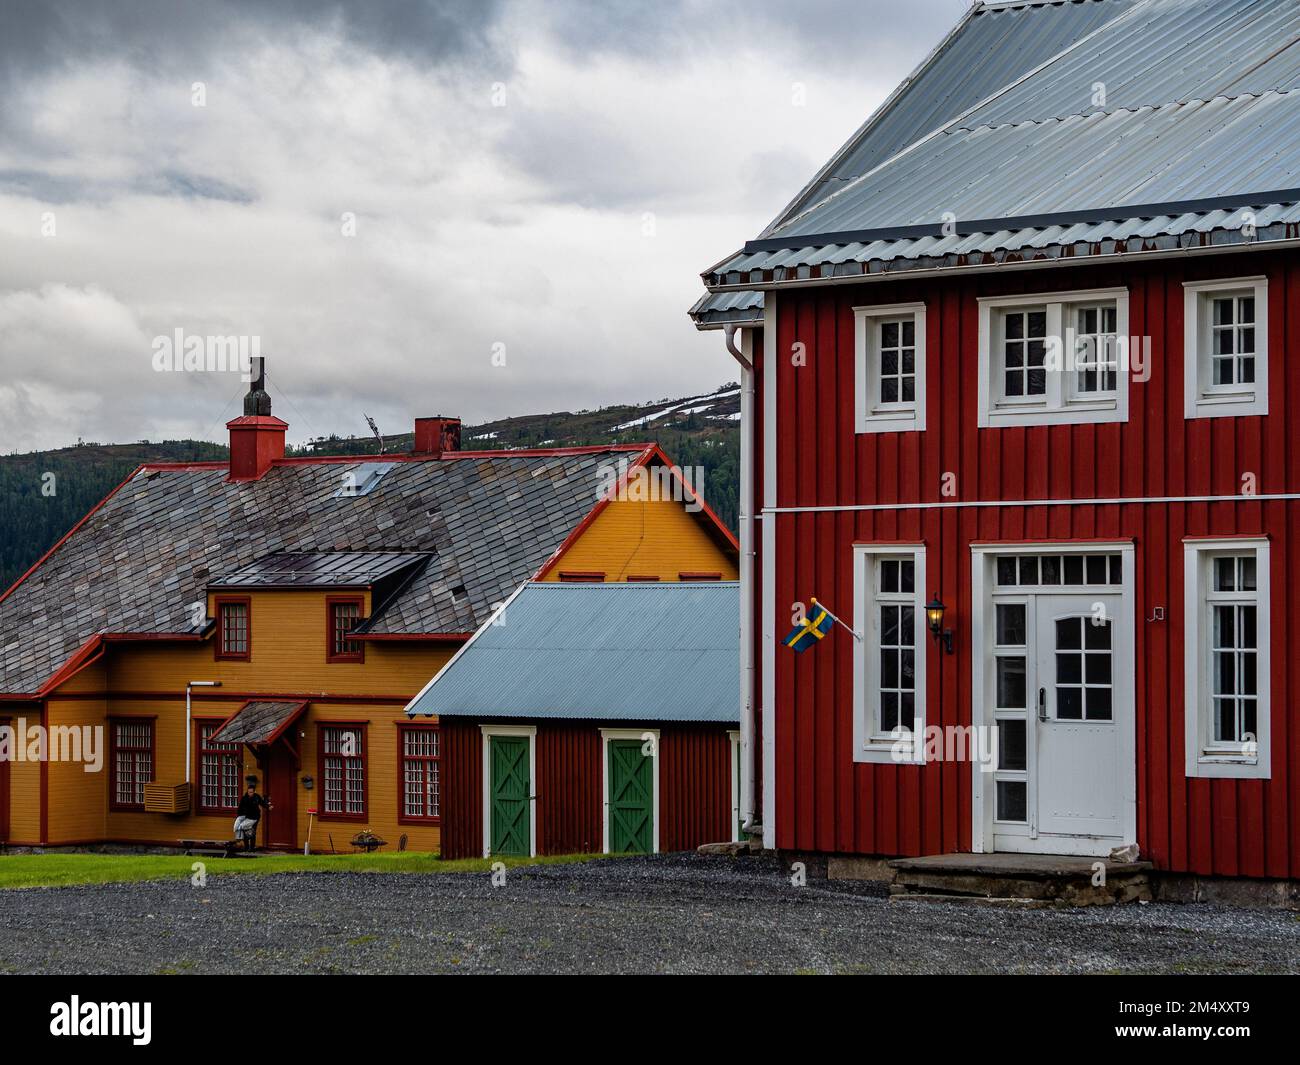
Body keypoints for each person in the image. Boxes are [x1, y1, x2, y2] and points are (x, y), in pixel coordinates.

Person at [233, 776, 272, 851]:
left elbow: (262, 803)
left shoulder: (257, 797)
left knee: (252, 831)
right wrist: (239, 817)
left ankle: (252, 847)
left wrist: (268, 807)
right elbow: (240, 808)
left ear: (254, 792)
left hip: (255, 817)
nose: (250, 793)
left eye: (251, 792)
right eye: (249, 792)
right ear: (247, 791)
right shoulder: (244, 798)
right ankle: (246, 847)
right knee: (245, 831)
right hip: (246, 817)